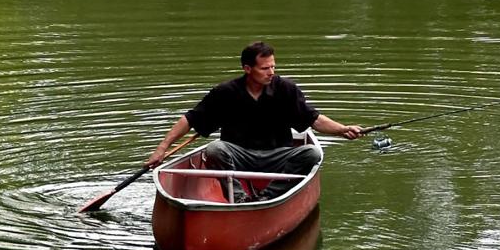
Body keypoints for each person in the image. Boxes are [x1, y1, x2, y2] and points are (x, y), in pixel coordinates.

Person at [146, 41, 363, 200]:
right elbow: (191, 119)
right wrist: (162, 149)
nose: (271, 72)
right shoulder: (226, 92)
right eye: (265, 68)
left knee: (311, 153)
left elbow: (314, 120)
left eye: (273, 67)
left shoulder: (285, 90)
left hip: (277, 155)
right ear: (247, 69)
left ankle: (268, 197)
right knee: (214, 149)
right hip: (240, 155)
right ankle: (240, 198)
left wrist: (343, 130)